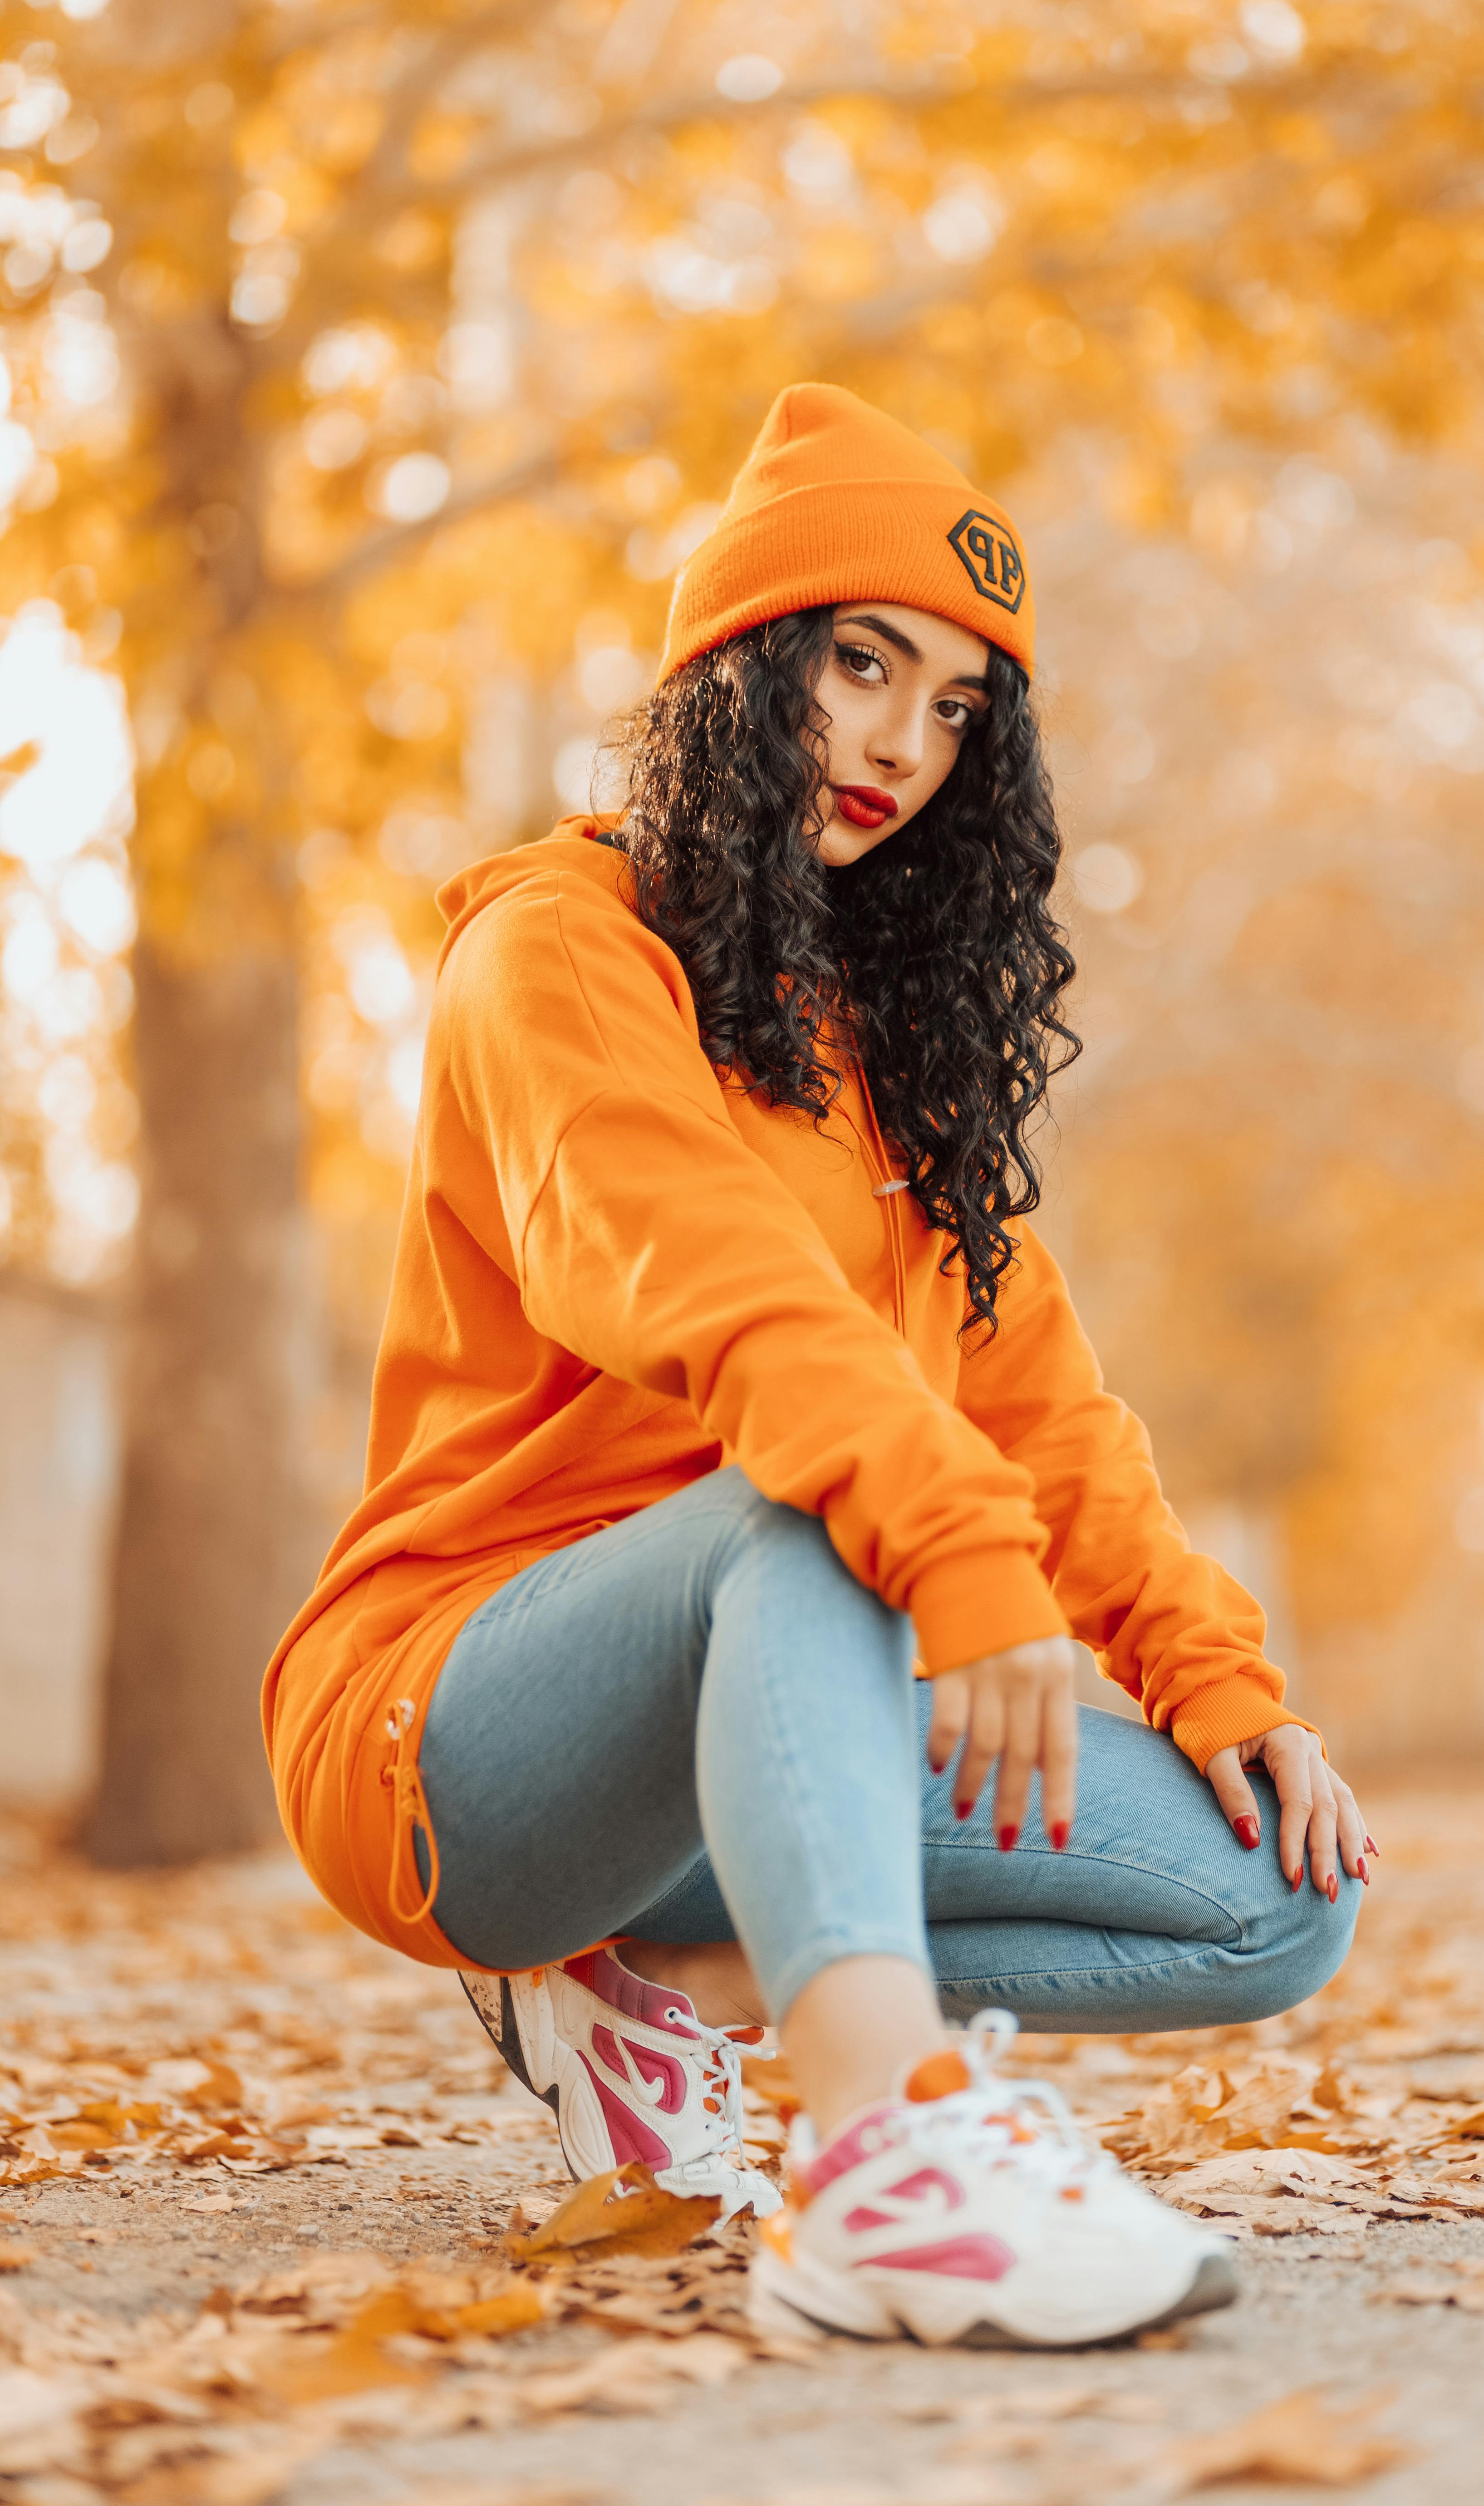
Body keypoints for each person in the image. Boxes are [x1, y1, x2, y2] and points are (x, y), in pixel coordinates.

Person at [264, 384, 1372, 2350]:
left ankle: (661, 1981)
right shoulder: (556, 951)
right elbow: (714, 1296)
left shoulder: (884, 1055)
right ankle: (882, 2161)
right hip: (452, 1722)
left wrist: (1218, 1681)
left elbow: (1049, 1409)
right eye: (862, 663)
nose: (897, 741)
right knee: (800, 1513)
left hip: (769, 1707)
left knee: (1279, 1892)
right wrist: (953, 1556)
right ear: (740, 660)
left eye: (954, 706)